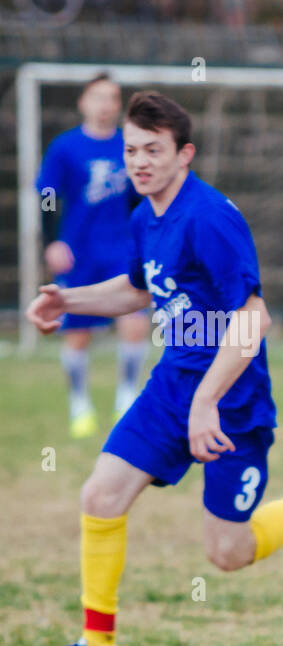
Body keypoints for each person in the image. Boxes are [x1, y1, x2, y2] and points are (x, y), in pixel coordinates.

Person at [22, 90, 283, 646]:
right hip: (174, 390)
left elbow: (253, 320)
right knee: (100, 496)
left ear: (183, 153)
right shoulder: (145, 216)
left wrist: (207, 401)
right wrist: (71, 300)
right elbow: (143, 290)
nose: (140, 162)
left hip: (233, 402)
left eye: (153, 150)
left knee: (228, 554)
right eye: (132, 150)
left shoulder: (210, 217)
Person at [37, 72, 151, 438]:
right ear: (83, 102)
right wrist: (51, 241)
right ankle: (80, 405)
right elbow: (47, 195)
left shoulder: (128, 146)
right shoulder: (65, 147)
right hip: (79, 252)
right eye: (98, 97)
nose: (106, 105)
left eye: (113, 98)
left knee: (135, 323)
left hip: (122, 250)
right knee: (78, 333)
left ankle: (126, 401)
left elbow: (139, 197)